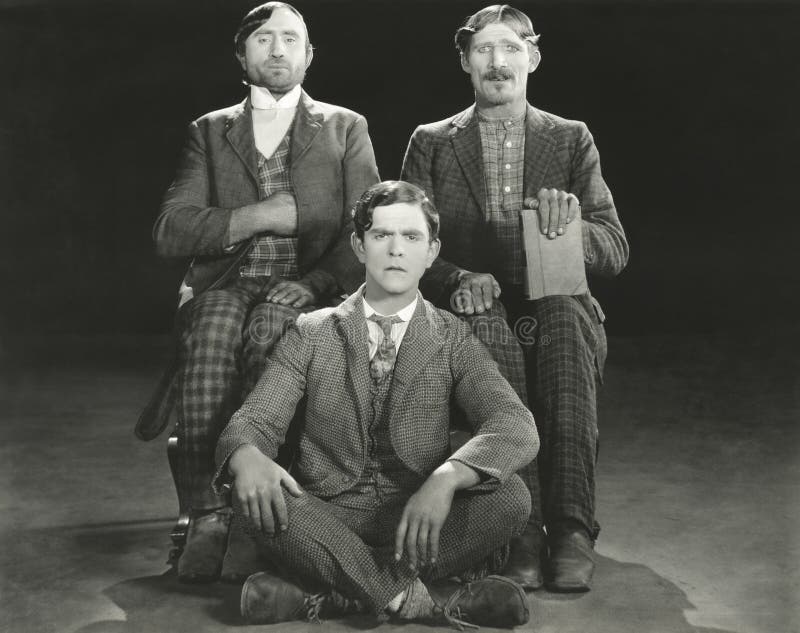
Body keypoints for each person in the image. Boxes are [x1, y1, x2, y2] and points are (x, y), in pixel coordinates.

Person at [213, 181, 538, 627]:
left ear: (431, 251)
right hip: (327, 513)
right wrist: (247, 455)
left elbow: (513, 423)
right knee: (255, 497)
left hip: (416, 515)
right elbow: (255, 419)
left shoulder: (451, 336)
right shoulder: (311, 332)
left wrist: (446, 479)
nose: (396, 250)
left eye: (411, 237)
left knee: (512, 498)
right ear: (359, 246)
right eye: (382, 235)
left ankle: (337, 594)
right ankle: (421, 601)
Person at [401, 4, 629, 592]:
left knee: (562, 320)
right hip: (474, 307)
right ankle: (521, 529)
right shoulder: (431, 142)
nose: (497, 62)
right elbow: (407, 243)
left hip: (554, 305)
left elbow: (615, 247)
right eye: (483, 50)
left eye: (509, 48)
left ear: (533, 56)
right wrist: (454, 278)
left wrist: (572, 229)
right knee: (487, 326)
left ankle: (572, 526)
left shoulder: (571, 138)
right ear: (464, 62)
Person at [150, 1, 379, 582]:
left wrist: (315, 284)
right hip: (228, 282)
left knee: (269, 339)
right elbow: (172, 228)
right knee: (208, 339)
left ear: (308, 54)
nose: (277, 49)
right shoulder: (210, 130)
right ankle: (209, 514)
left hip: (307, 287)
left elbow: (367, 229)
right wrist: (259, 216)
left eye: (290, 38)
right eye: (263, 39)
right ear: (241, 53)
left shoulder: (343, 127)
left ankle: (258, 517)